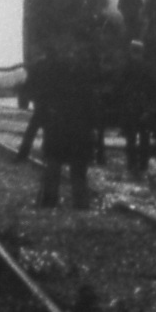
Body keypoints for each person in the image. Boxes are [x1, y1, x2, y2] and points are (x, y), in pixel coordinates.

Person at [38, 41, 98, 210]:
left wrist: (45, 120)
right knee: (78, 170)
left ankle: (49, 202)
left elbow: (43, 101)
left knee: (53, 166)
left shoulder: (52, 73)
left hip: (58, 128)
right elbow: (92, 104)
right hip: (79, 129)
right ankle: (81, 205)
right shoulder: (84, 74)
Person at [118, 40, 156, 177]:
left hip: (129, 106)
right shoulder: (149, 68)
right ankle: (143, 165)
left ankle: (131, 164)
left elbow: (119, 87)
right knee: (144, 138)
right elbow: (155, 88)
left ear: (131, 51)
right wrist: (151, 108)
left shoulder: (125, 67)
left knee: (130, 138)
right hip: (144, 106)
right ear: (143, 52)